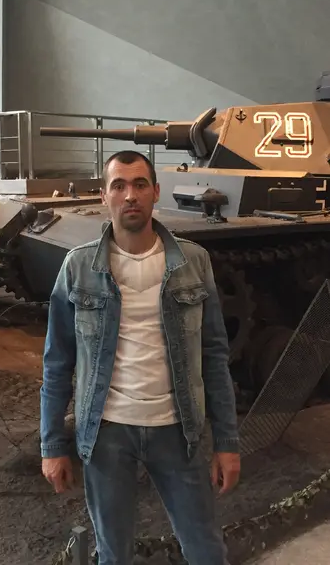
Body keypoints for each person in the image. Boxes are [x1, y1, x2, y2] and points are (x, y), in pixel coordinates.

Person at [40, 150, 241, 565]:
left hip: (178, 430)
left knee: (206, 551)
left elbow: (214, 356)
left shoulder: (193, 262)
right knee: (113, 555)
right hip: (107, 433)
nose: (130, 195)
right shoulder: (78, 267)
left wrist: (227, 443)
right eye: (118, 185)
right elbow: (57, 362)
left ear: (156, 192)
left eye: (139, 184)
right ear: (104, 196)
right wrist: (52, 444)